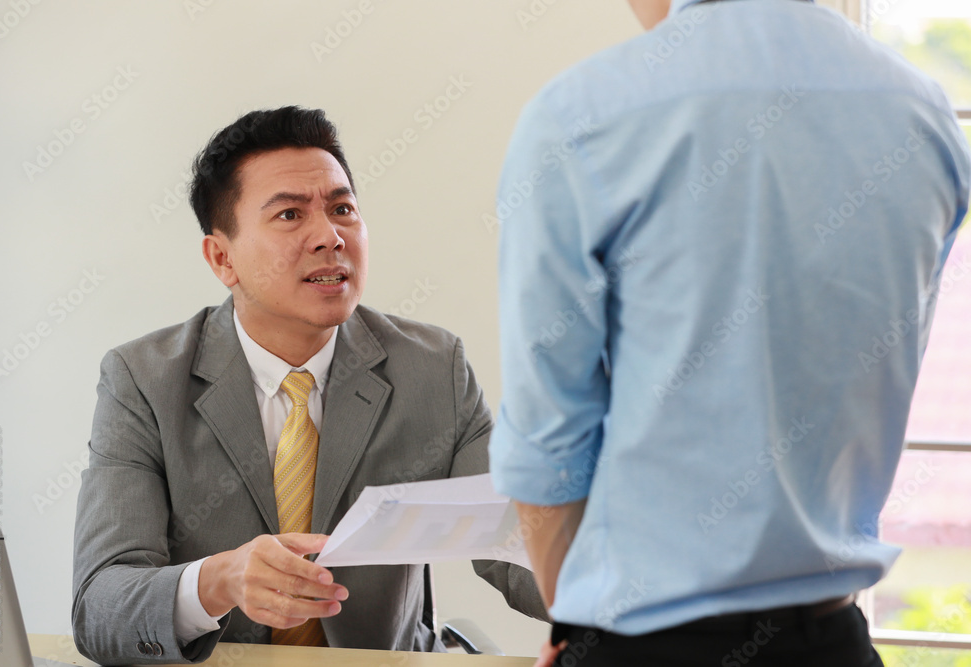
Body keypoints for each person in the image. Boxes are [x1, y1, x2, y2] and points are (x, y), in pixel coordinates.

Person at [488, 0, 970, 665]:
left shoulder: (580, 115)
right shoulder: (924, 112)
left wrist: (575, 625)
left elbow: (549, 445)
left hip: (646, 647)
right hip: (834, 642)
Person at [72, 106, 546, 665]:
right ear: (222, 257)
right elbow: (99, 607)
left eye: (342, 208)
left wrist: (633, 593)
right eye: (290, 215)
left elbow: (514, 546)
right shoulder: (144, 380)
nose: (329, 236)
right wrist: (217, 580)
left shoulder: (434, 368)